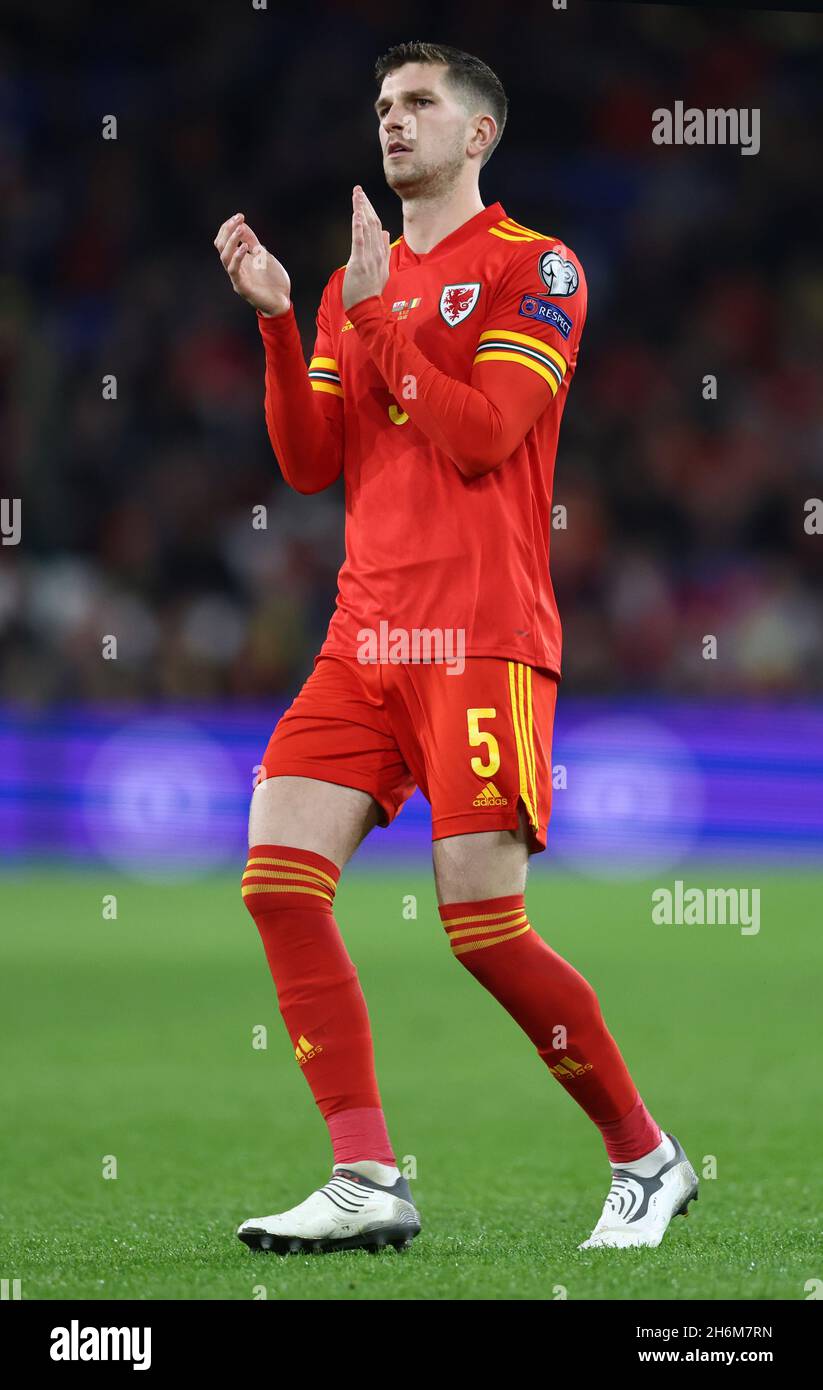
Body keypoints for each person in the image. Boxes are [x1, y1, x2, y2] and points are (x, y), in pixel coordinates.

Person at [214, 40, 697, 1255]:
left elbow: (485, 435)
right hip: (361, 636)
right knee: (277, 879)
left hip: (479, 637)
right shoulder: (344, 285)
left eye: (419, 103)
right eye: (381, 104)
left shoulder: (538, 269)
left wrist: (379, 323)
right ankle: (366, 1170)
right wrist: (285, 323)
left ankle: (644, 1153)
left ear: (477, 133)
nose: (393, 121)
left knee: (481, 928)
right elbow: (313, 462)